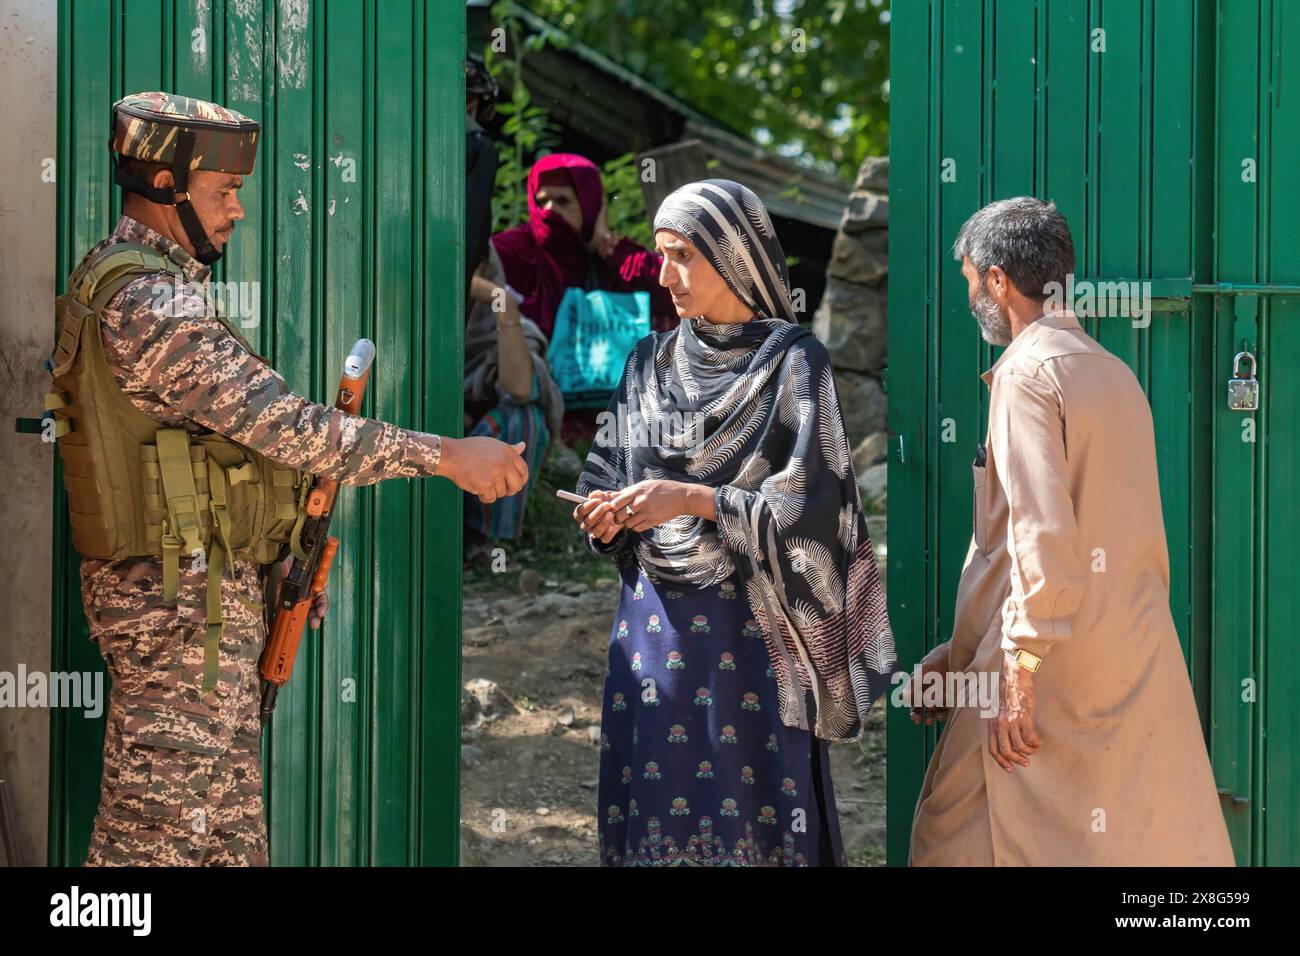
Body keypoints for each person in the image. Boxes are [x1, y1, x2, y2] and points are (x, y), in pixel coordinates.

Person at [48, 91, 527, 866]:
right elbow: (291, 429)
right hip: (177, 620)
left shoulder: (147, 286)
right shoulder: (148, 301)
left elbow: (217, 457)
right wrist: (445, 455)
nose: (238, 210)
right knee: (149, 848)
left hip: (202, 602)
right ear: (167, 188)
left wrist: (266, 549)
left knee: (226, 842)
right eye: (224, 191)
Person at [572, 179, 898, 866]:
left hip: (754, 637)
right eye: (662, 255)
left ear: (737, 255)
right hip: (653, 631)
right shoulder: (647, 365)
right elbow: (605, 474)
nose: (666, 276)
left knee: (751, 812)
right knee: (658, 806)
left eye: (684, 255)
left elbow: (815, 513)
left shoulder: (791, 364)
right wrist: (604, 518)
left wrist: (692, 501)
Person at [907, 197, 1234, 866]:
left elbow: (1042, 535)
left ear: (999, 280)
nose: (971, 295)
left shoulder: (1026, 375)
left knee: (953, 841)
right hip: (1123, 664)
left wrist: (1016, 667)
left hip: (1041, 669)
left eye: (971, 278)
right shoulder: (1112, 373)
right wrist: (963, 655)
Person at [492, 153, 678, 444]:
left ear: (591, 205)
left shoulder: (607, 261)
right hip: (529, 403)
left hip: (607, 412)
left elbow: (673, 288)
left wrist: (606, 243)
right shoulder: (513, 251)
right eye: (541, 201)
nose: (550, 210)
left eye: (563, 201)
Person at [463, 245, 564, 549]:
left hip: (469, 465)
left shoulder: (506, 328)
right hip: (424, 456)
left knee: (523, 417)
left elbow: (520, 388)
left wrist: (502, 304)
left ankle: (489, 546)